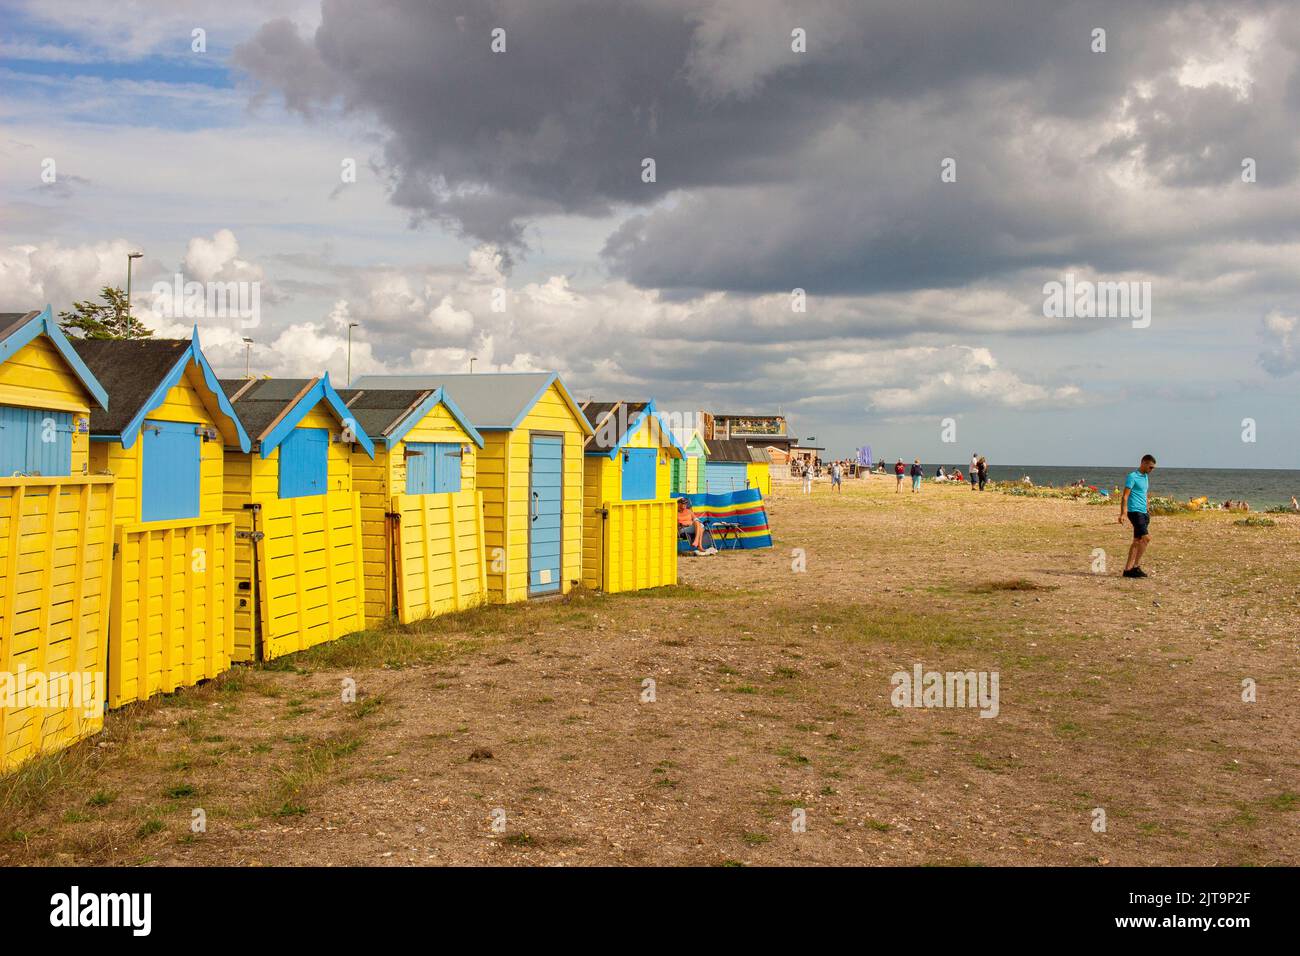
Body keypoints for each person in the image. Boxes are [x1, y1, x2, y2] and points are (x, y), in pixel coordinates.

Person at [1119, 453, 1157, 578]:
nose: (1152, 470)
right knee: (1146, 538)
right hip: (1135, 512)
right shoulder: (1132, 476)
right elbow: (1125, 496)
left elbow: (1144, 494)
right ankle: (1136, 566)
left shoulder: (1145, 476)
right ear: (1144, 463)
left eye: (1153, 468)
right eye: (1150, 467)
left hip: (1144, 512)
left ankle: (1128, 570)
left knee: (1137, 541)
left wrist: (1147, 509)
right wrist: (1123, 513)